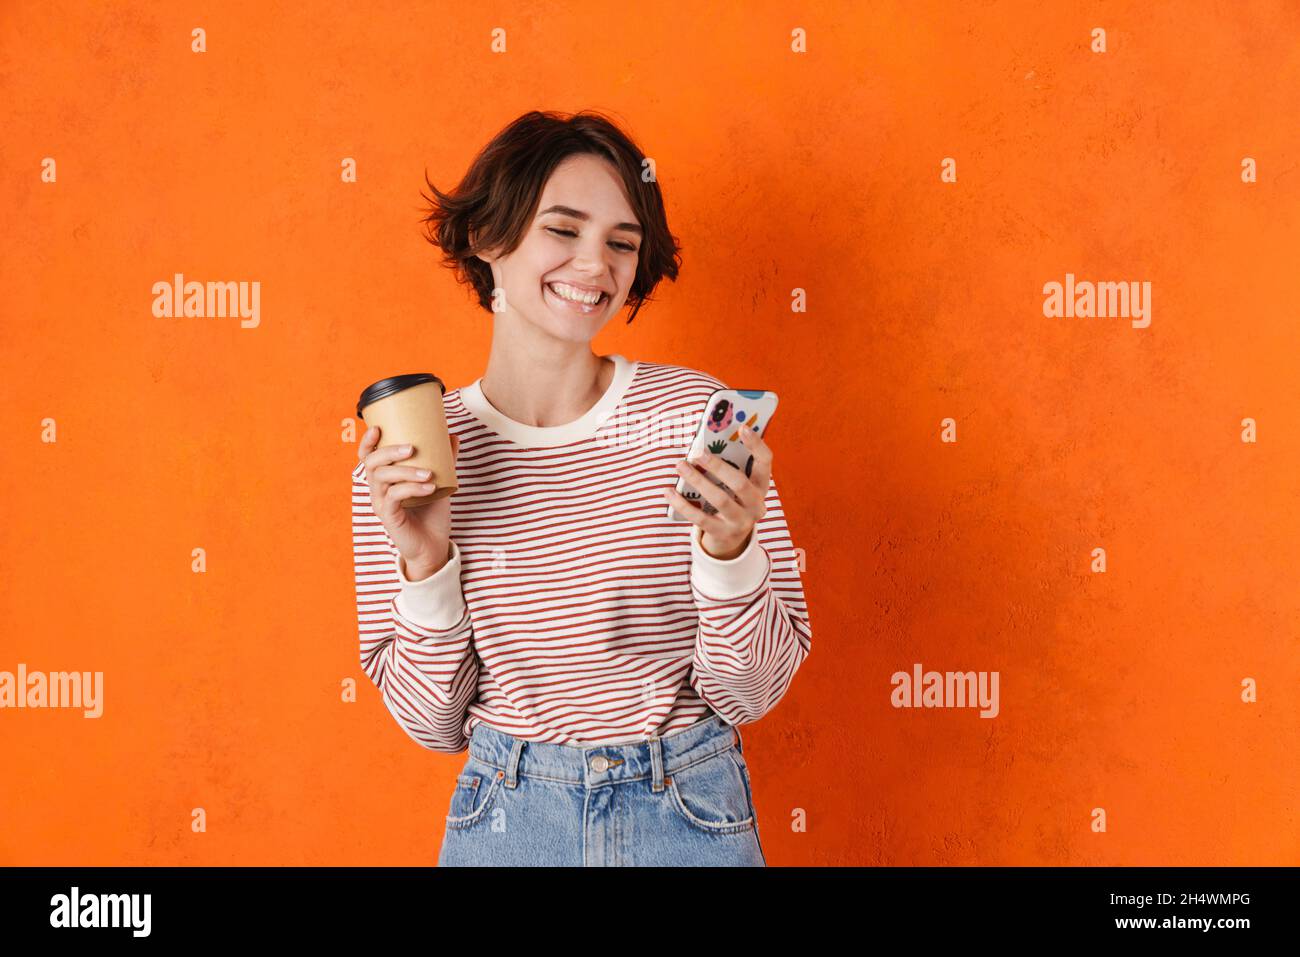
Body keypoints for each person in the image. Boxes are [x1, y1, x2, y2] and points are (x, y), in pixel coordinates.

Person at [351, 110, 812, 866]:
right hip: (508, 817)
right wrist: (426, 561)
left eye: (621, 244)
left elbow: (751, 693)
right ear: (486, 240)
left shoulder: (695, 417)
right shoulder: (412, 455)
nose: (595, 266)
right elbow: (433, 723)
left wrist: (730, 553)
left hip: (688, 810)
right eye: (563, 230)